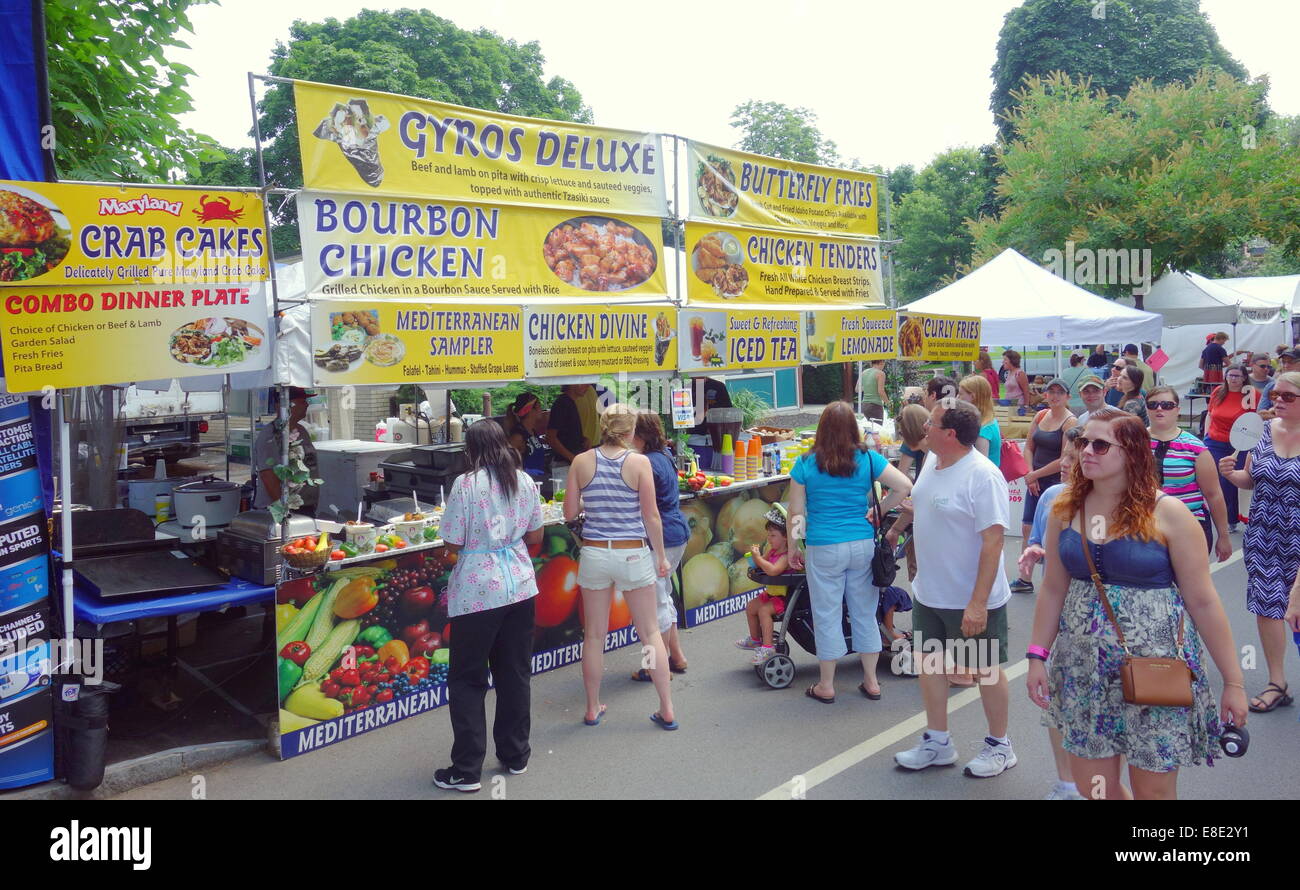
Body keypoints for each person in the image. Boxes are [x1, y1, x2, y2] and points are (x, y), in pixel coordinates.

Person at [1027, 408, 1248, 799]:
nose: (1086, 452)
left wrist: (1233, 682)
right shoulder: (1065, 510)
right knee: (1095, 788)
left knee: (1154, 792)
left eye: (1099, 444)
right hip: (1083, 670)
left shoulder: (1170, 513)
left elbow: (1203, 602)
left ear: (1131, 453)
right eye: (1082, 443)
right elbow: (1053, 590)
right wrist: (1036, 656)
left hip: (1155, 669)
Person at [893, 399, 1017, 777]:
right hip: (930, 591)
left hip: (971, 598)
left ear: (950, 435)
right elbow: (926, 506)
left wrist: (978, 603)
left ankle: (1000, 746)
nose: (923, 428)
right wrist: (896, 518)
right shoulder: (932, 460)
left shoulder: (983, 475)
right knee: (930, 666)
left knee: (985, 670)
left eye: (931, 424)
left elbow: (993, 542)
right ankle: (937, 741)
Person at [433, 421, 544, 792]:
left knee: (468, 679)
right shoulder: (524, 481)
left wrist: (464, 550)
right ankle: (516, 756)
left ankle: (466, 770)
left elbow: (451, 541)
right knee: (514, 673)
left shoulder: (465, 486)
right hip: (520, 588)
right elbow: (535, 535)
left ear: (471, 449)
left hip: (477, 594)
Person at [787, 402, 913, 702]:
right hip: (861, 546)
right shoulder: (868, 458)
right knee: (865, 612)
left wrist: (794, 545)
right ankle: (871, 682)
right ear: (853, 429)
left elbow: (795, 512)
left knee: (827, 614)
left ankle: (826, 685)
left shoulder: (805, 463)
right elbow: (905, 486)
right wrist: (878, 511)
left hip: (823, 546)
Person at [564, 404, 676, 730]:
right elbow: (651, 515)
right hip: (632, 554)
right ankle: (666, 707)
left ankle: (591, 707)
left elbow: (570, 513)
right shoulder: (639, 462)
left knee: (595, 636)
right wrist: (660, 556)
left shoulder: (581, 462)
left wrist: (591, 497)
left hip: (595, 554)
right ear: (630, 431)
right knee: (650, 632)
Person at [1217, 371, 1300, 714]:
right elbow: (1252, 479)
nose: (1276, 400)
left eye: (1287, 396)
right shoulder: (1264, 431)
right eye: (1274, 393)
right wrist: (1231, 475)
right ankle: (1276, 682)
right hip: (1264, 536)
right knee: (1268, 610)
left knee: (1296, 610)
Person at [1016, 425, 1084, 799]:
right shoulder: (1054, 497)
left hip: (1104, 623)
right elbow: (1039, 539)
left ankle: (1097, 783)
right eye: (1065, 457)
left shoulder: (1127, 505)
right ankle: (1067, 784)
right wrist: (1036, 551)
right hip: (1060, 616)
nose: (1064, 465)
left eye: (1072, 460)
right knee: (1058, 700)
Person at [630, 412, 689, 680]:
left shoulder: (645, 464)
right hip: (676, 532)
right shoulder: (663, 455)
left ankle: (655, 663)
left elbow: (644, 508)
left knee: (652, 607)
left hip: (660, 538)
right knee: (663, 597)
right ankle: (676, 656)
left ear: (639, 435)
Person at [1146, 386, 1232, 563]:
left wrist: (1223, 537)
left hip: (1189, 526)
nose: (1159, 408)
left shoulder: (1195, 447)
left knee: (1188, 586)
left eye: (1167, 405)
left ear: (1177, 410)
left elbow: (1213, 494)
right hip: (1145, 526)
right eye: (1153, 404)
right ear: (1146, 408)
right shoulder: (1133, 442)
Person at [1013, 379, 1078, 592]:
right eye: (1051, 392)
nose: (1055, 396)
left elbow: (1065, 458)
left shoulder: (1070, 422)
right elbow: (1029, 447)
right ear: (1045, 395)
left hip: (1054, 479)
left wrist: (1035, 475)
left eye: (1060, 392)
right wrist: (1031, 473)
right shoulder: (1041, 415)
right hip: (1036, 479)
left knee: (1052, 533)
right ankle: (1025, 578)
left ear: (1068, 397)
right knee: (1027, 527)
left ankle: (1053, 582)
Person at [1203, 364, 1254, 533]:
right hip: (1215, 441)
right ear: (1225, 376)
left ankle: (1231, 518)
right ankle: (1219, 515)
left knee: (1231, 481)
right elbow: (1210, 414)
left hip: (1238, 445)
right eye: (1230, 375)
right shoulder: (1218, 391)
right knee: (1216, 479)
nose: (1233, 379)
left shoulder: (1250, 394)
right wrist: (1205, 436)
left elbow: (1254, 421)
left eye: (1237, 376)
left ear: (1244, 378)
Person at [735, 512, 791, 662]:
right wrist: (754, 558)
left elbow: (773, 570)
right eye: (768, 535)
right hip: (771, 594)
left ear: (785, 537)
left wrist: (759, 559)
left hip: (784, 597)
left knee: (764, 611)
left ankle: (767, 647)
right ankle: (755, 639)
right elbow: (762, 564)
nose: (769, 539)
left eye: (773, 535)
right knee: (751, 606)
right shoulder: (772, 551)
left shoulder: (786, 556)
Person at [253, 387, 318, 513]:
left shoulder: (302, 430)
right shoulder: (270, 436)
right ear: (287, 405)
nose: (306, 405)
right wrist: (284, 510)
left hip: (304, 506)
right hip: (280, 510)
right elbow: (268, 475)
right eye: (302, 401)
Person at [958, 374, 1001, 467]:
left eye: (961, 394)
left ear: (973, 397)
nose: (957, 398)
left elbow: (980, 466)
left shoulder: (982, 430)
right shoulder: (990, 420)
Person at [500, 392, 547, 471]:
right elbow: (506, 464)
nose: (541, 410)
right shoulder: (517, 437)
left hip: (538, 480)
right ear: (530, 410)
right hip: (526, 481)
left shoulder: (532, 432)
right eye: (539, 407)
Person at [546, 384, 589, 465]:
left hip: (571, 460)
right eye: (584, 382)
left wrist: (583, 439)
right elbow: (550, 437)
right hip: (564, 463)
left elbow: (565, 433)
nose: (588, 386)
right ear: (573, 384)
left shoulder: (570, 402)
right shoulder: (562, 403)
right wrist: (572, 458)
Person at [1248, 353, 1278, 418]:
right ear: (1252, 365)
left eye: (1269, 367)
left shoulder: (1274, 384)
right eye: (1262, 366)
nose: (1266, 369)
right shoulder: (1243, 380)